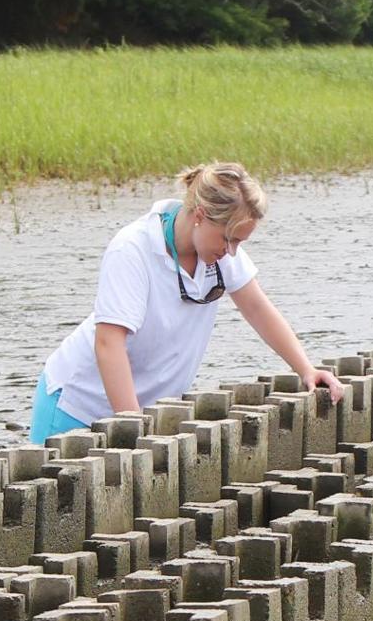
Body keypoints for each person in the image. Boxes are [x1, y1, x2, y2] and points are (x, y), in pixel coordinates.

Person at [30, 161, 343, 443]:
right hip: (78, 405)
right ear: (201, 216)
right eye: (229, 239)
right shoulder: (132, 249)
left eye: (239, 243)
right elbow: (109, 344)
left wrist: (306, 369)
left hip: (142, 412)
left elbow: (257, 308)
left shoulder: (220, 253)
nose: (232, 251)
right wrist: (134, 430)